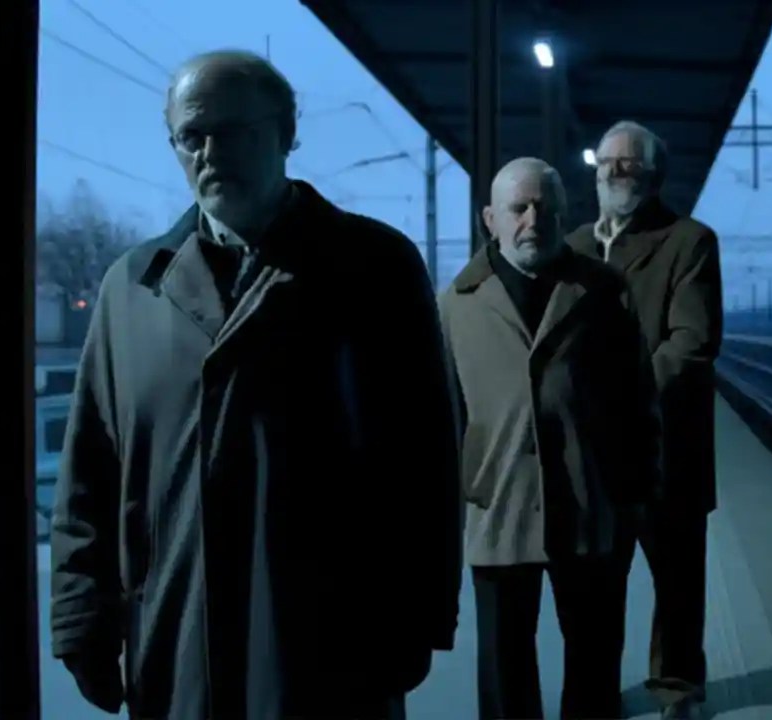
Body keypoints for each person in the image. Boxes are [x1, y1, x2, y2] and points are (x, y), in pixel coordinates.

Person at [48, 49, 462, 720]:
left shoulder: (373, 268)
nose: (211, 152)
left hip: (330, 644)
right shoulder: (132, 288)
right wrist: (79, 620)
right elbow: (89, 473)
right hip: (176, 641)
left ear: (286, 131)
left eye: (234, 130)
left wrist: (420, 616)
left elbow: (426, 459)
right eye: (192, 136)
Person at [439, 157, 663, 720]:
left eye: (545, 208)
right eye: (519, 208)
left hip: (590, 504)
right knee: (504, 668)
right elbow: (441, 416)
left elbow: (639, 400)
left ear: (564, 215)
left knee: (593, 661)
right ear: (491, 218)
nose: (532, 220)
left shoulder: (604, 292)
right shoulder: (456, 305)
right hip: (498, 506)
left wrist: (635, 496)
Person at [567, 120, 723, 720]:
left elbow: (692, 342)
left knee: (677, 581)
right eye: (605, 163)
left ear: (653, 174)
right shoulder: (574, 244)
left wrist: (619, 395)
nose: (613, 173)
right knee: (596, 585)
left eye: (627, 164)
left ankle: (677, 688)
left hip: (669, 451)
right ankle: (597, 690)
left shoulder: (689, 241)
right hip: (593, 454)